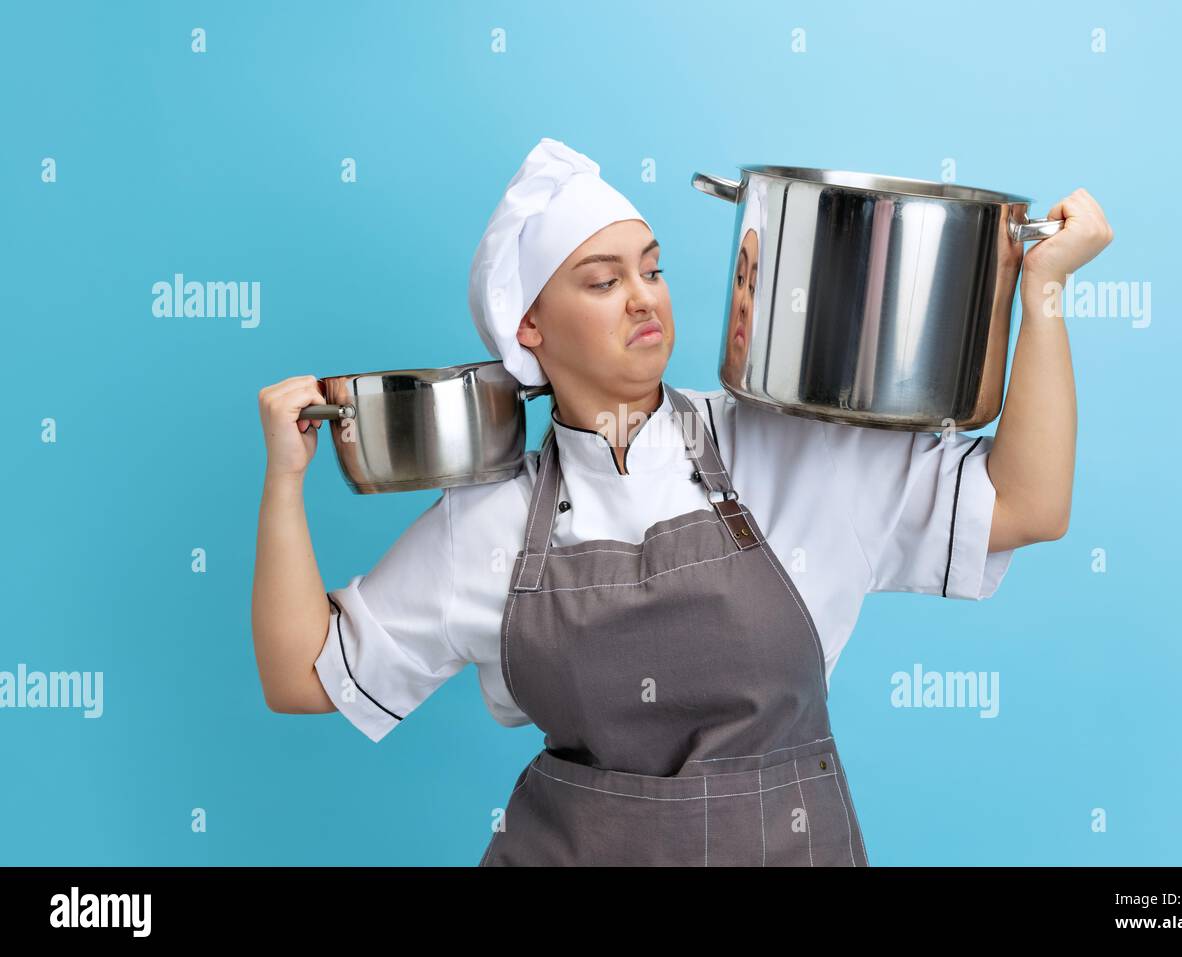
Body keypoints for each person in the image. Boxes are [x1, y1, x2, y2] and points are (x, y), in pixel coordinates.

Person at [252, 137, 1112, 866]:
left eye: (653, 269)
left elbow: (1027, 503)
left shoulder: (791, 445)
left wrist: (1041, 298)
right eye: (600, 280)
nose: (645, 297)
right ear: (530, 327)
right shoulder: (490, 523)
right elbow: (304, 675)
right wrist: (285, 482)